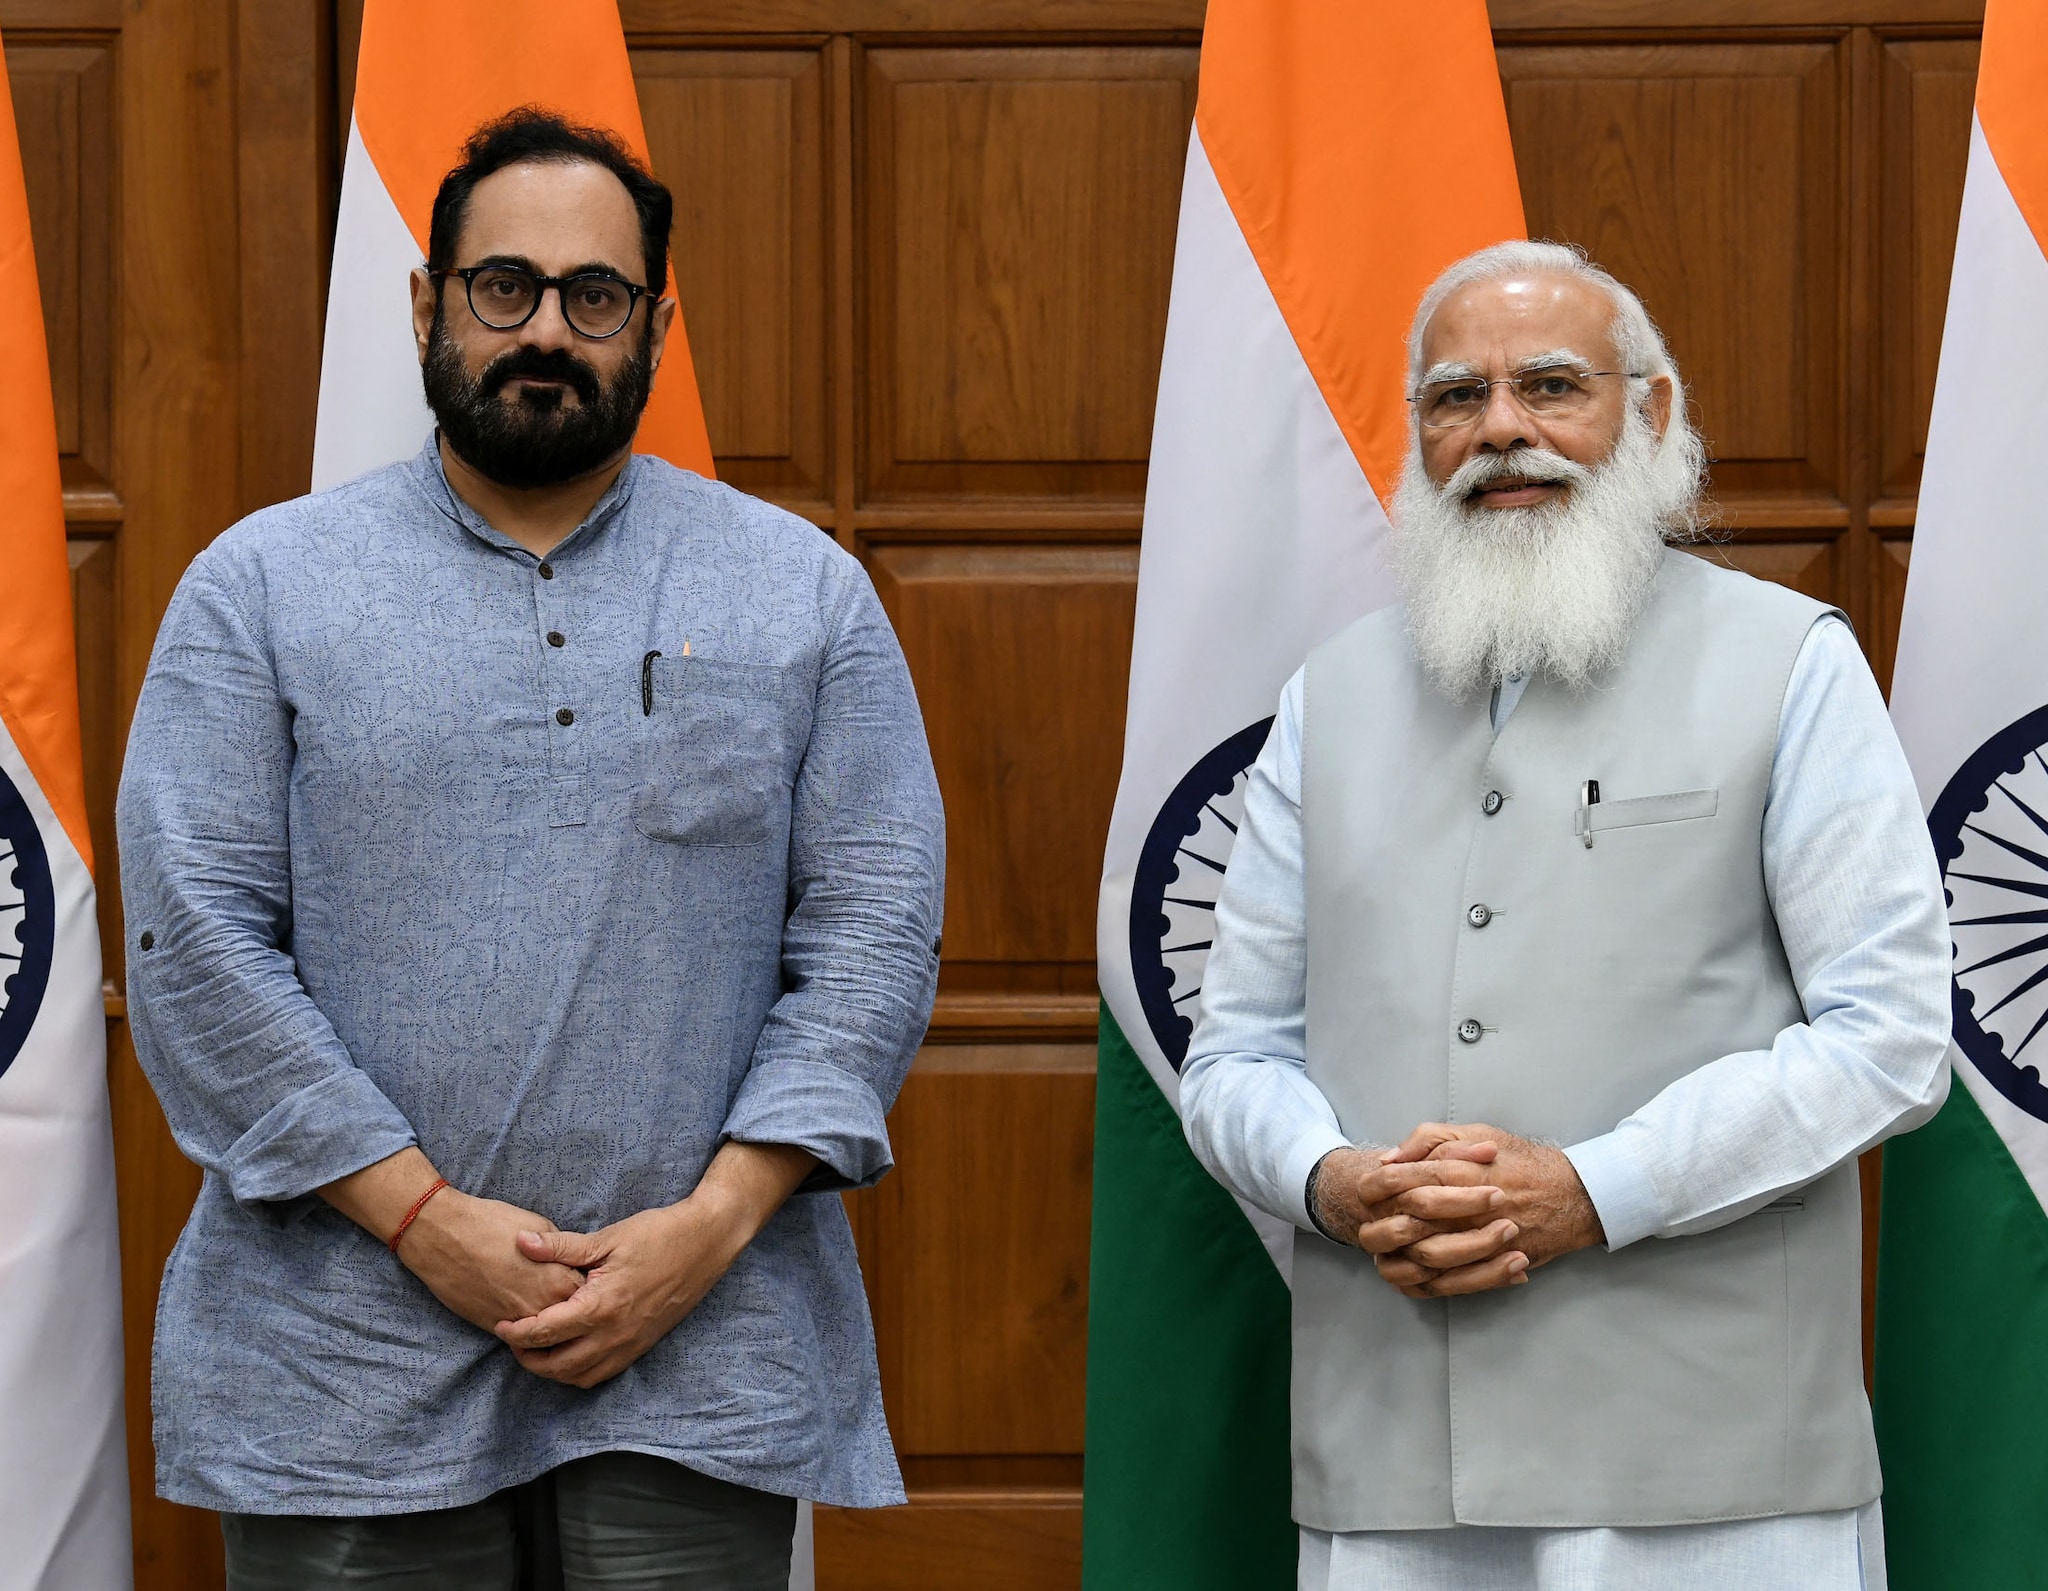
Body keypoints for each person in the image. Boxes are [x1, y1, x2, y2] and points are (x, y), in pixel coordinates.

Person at [117, 108, 944, 1588]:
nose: (546, 330)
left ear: (657, 325)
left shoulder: (801, 591)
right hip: (339, 1366)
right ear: (428, 307)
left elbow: (875, 933)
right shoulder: (258, 587)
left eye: (595, 297)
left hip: (699, 1343)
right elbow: (196, 950)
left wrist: (710, 1226)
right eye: (504, 287)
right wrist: (422, 1221)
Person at [1180, 240, 1950, 1591]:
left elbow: (1888, 1039)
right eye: (1453, 397)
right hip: (1391, 1470)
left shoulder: (1794, 665)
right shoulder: (1330, 698)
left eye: (1549, 386)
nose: (1500, 431)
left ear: (1649, 415)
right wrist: (1333, 1181)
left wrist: (1597, 1191)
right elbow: (1234, 1054)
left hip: (1711, 1477)